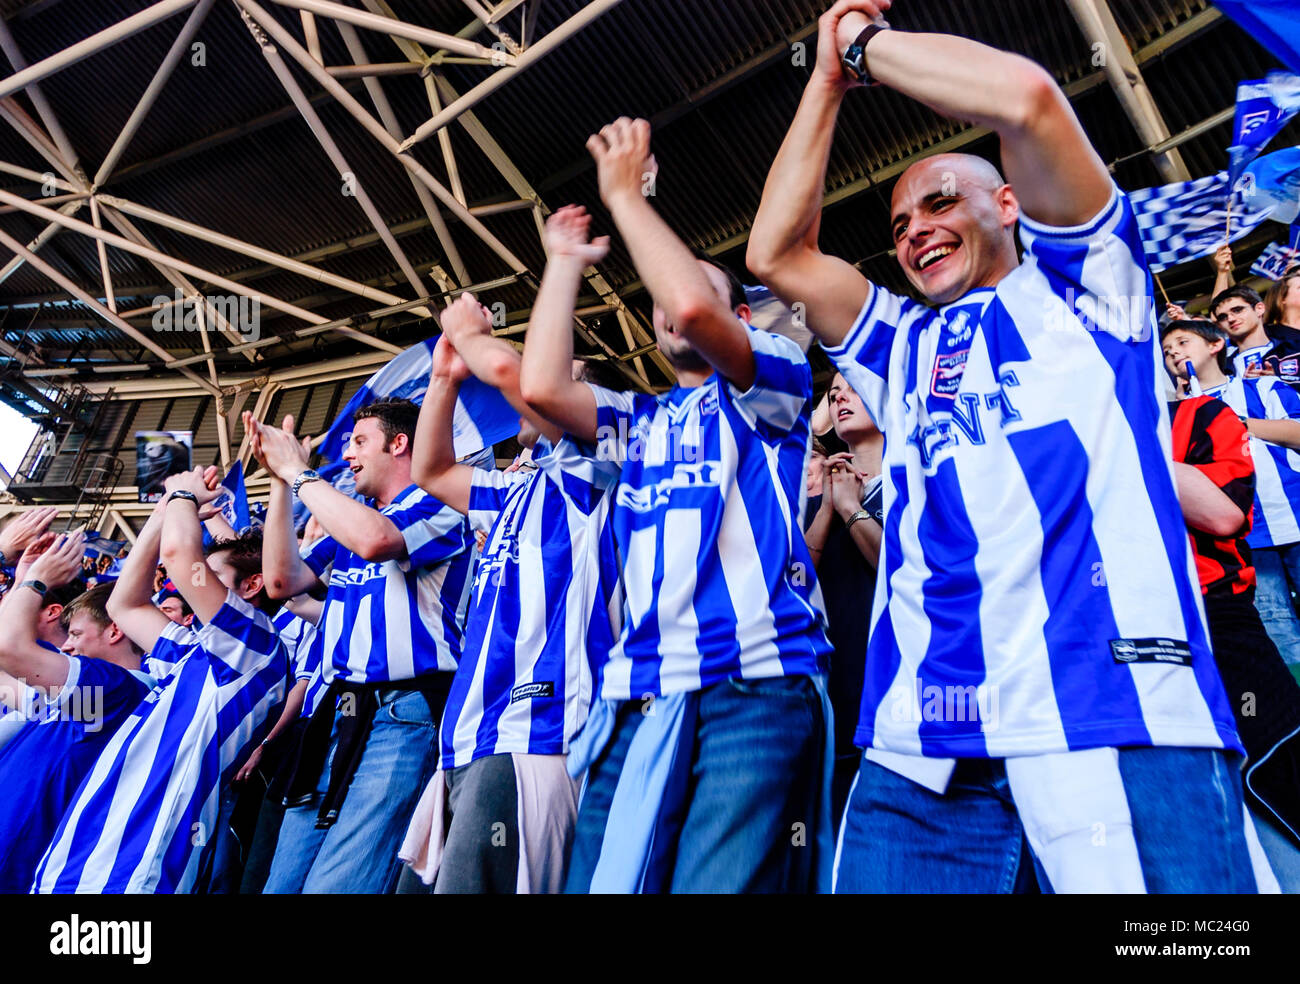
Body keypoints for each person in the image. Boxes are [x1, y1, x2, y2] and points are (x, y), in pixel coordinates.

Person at [747, 0, 1265, 892]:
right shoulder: (897, 342)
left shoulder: (1092, 289)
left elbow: (1024, 99)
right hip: (921, 744)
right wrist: (825, 83)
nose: (914, 229)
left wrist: (864, 46)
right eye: (900, 224)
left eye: (940, 201)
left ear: (1011, 203)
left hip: (1116, 712)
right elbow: (777, 253)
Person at [520, 157, 833, 891]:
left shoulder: (772, 385)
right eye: (655, 299)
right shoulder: (637, 421)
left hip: (751, 684)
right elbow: (538, 389)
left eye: (678, 287)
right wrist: (563, 263)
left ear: (743, 319)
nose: (668, 306)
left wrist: (626, 198)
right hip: (638, 691)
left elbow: (695, 309)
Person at [400, 274, 622, 894]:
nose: (543, 385)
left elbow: (531, 388)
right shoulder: (514, 488)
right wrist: (444, 376)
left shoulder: (594, 473)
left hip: (537, 730)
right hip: (470, 730)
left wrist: (473, 336)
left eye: (562, 375)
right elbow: (432, 469)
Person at [251, 399, 475, 895]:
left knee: (341, 881)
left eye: (359, 442)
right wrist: (280, 480)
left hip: (406, 711)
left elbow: (378, 541)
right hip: (338, 713)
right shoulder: (352, 519)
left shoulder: (439, 501)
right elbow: (281, 581)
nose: (348, 456)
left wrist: (301, 471)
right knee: (282, 882)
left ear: (399, 444)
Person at [33, 470, 290, 893]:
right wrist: (162, 508)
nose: (197, 583)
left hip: (141, 862)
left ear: (251, 586)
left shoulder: (254, 646)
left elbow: (177, 554)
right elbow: (123, 603)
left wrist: (184, 495)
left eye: (213, 574)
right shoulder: (194, 651)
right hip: (88, 848)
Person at [1161, 335, 1300, 891]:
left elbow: (1221, 514)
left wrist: (1119, 428)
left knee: (1269, 759)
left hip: (1216, 614)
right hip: (1121, 639)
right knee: (1180, 797)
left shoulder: (1199, 413)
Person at [0, 543, 154, 894]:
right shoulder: (77, 699)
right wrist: (22, 579)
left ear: (114, 631)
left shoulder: (117, 691)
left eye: (75, 634)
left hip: (12, 857)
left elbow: (7, 648)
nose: (67, 646)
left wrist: (36, 582)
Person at [1163, 319, 1300, 670]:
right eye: (1166, 351)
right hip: (1246, 542)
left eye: (1182, 341)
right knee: (1277, 628)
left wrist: (1224, 418)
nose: (1174, 352)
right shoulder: (1168, 418)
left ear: (1216, 345)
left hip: (1294, 519)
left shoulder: (1261, 386)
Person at [804, 373, 885, 821]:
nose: (839, 396)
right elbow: (794, 579)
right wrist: (832, 506)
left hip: (889, 699)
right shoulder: (822, 495)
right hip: (830, 701)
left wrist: (853, 508)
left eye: (852, 385)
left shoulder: (913, 479)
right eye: (834, 393)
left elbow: (900, 565)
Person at [1211, 284, 1300, 381]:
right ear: (1219, 325)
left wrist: (1282, 381)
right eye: (1223, 317)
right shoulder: (1220, 371)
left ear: (1259, 309)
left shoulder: (1295, 350)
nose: (1231, 319)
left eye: (1237, 310)